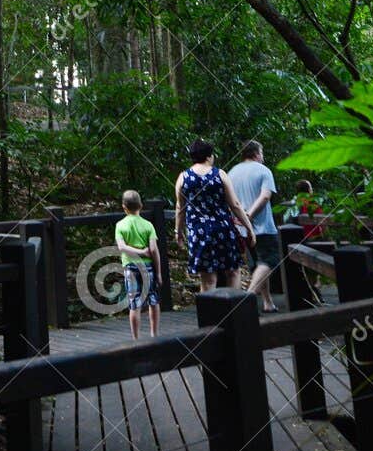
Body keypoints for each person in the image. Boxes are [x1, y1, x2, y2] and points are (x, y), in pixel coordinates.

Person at [174, 138, 255, 293]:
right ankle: (235, 311)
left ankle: (210, 315)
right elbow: (235, 205)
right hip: (223, 230)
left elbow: (180, 208)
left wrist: (178, 232)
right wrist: (249, 227)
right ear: (209, 156)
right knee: (232, 271)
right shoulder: (220, 174)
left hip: (199, 232)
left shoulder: (183, 177)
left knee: (208, 278)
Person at [228, 139, 279, 313]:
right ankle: (248, 298)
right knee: (269, 261)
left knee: (258, 265)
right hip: (262, 227)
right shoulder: (263, 171)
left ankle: (267, 302)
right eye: (262, 154)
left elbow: (229, 201)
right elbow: (265, 197)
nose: (263, 158)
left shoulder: (232, 172)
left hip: (241, 229)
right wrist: (249, 215)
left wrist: (239, 219)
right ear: (256, 154)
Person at [114, 189, 162, 340]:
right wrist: (159, 272)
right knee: (153, 300)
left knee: (134, 303)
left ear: (124, 207)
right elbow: (154, 250)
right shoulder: (148, 225)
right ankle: (154, 334)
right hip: (148, 267)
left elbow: (121, 247)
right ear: (140, 205)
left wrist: (137, 252)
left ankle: (136, 338)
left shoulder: (120, 225)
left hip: (130, 267)